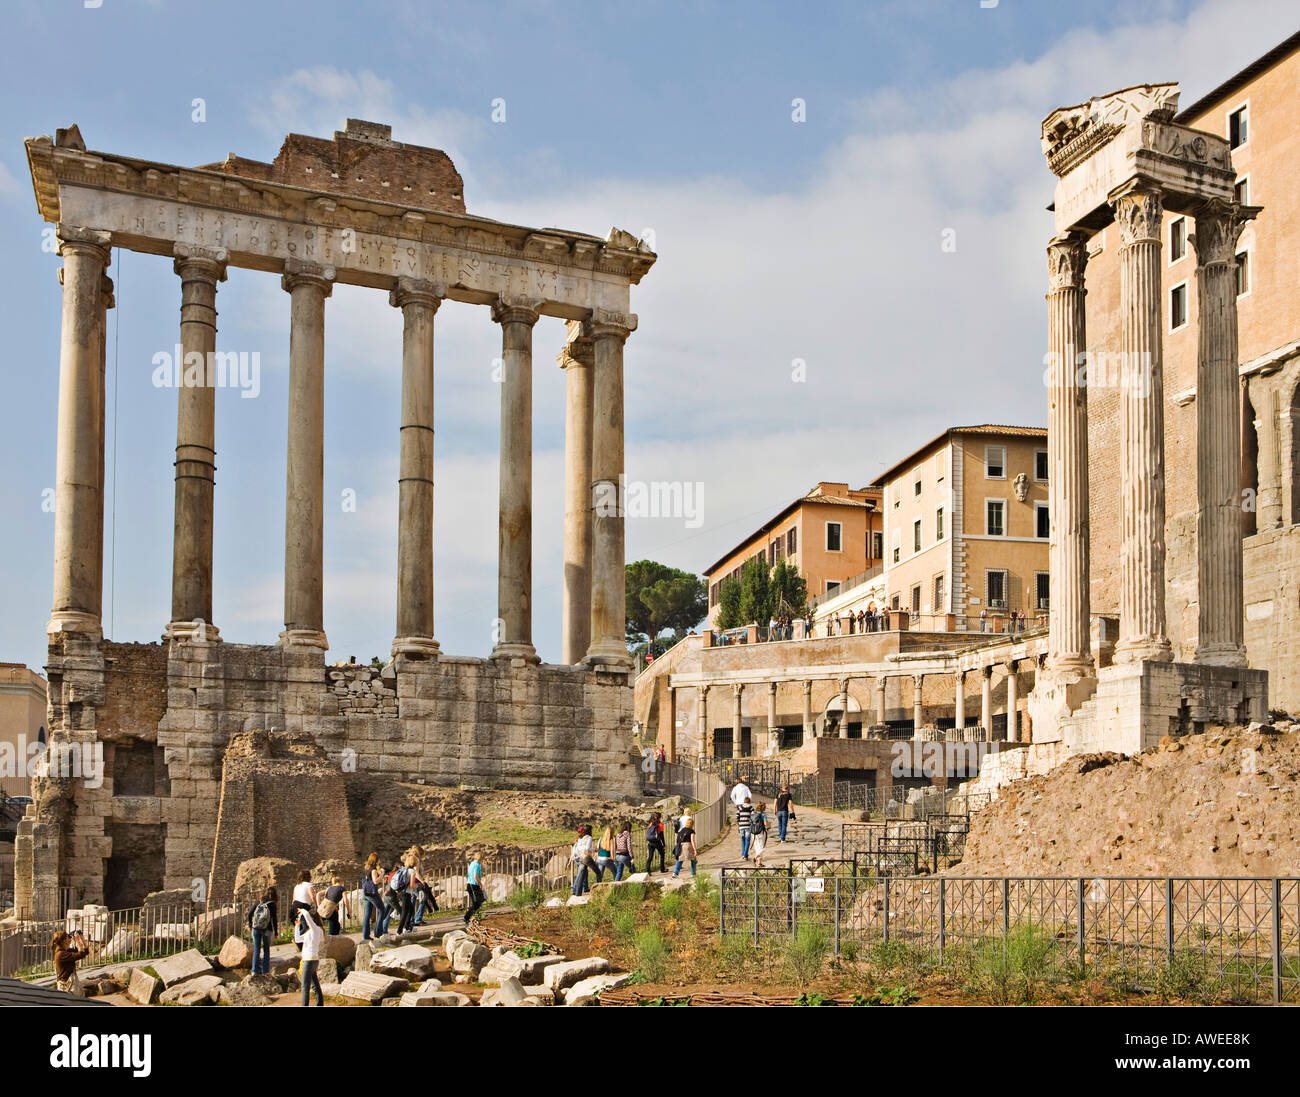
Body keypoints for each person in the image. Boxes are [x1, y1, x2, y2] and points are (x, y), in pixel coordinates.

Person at [294, 905, 325, 1007]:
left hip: (309, 960)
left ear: (312, 919)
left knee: (305, 987)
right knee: (315, 985)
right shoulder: (312, 931)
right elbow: (298, 939)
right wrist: (297, 926)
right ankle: (320, 1004)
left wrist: (302, 910)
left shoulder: (316, 929)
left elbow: (307, 915)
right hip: (312, 960)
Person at [49, 929, 89, 997]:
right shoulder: (61, 954)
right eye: (68, 936)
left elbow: (85, 952)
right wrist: (77, 940)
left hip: (70, 984)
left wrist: (82, 939)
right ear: (64, 941)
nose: (70, 937)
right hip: (66, 986)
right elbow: (81, 954)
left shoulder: (66, 951)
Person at [247, 885, 278, 972]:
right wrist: (276, 933)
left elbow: (249, 914)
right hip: (267, 930)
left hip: (256, 928)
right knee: (266, 951)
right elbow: (274, 920)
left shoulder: (258, 902)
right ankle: (265, 971)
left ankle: (254, 971)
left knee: (256, 950)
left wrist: (250, 925)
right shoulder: (272, 905)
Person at [409, 845, 439, 924]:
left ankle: (411, 920)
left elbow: (418, 872)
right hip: (416, 883)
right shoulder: (416, 860)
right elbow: (416, 873)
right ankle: (418, 919)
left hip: (411, 882)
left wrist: (427, 871)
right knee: (424, 898)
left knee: (413, 901)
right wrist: (422, 882)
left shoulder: (410, 859)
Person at [360, 854, 385, 941]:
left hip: (366, 893)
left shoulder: (366, 868)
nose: (380, 861)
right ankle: (378, 932)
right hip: (372, 894)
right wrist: (382, 874)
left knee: (367, 914)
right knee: (382, 910)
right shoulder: (373, 870)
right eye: (379, 860)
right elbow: (375, 881)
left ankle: (365, 935)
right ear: (376, 860)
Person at [571, 825, 595, 896]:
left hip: (577, 857)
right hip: (583, 857)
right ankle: (575, 889)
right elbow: (587, 848)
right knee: (580, 874)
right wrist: (594, 849)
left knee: (584, 872)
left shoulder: (580, 838)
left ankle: (585, 887)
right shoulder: (589, 838)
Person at [672, 812, 698, 878]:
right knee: (693, 860)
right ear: (692, 824)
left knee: (680, 860)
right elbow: (692, 840)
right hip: (688, 845)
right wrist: (695, 850)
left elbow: (678, 839)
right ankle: (693, 873)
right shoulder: (691, 831)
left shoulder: (681, 830)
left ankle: (675, 873)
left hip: (681, 846)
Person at [464, 851, 486, 926]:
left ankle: (473, 916)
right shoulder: (476, 865)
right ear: (481, 858)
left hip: (472, 884)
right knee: (476, 903)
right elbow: (475, 876)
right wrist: (481, 884)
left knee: (479, 901)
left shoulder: (472, 863)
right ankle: (467, 917)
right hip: (473, 885)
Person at [750, 800, 770, 867]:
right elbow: (765, 824)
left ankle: (759, 862)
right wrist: (769, 824)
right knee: (762, 847)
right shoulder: (763, 814)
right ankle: (755, 858)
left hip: (753, 832)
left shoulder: (753, 813)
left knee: (757, 847)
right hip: (761, 832)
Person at [736, 796, 754, 860]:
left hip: (741, 826)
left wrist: (739, 823)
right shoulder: (751, 808)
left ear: (744, 801)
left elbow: (737, 816)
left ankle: (743, 854)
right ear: (749, 801)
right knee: (747, 841)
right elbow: (753, 817)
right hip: (748, 826)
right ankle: (745, 855)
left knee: (743, 840)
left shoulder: (740, 807)